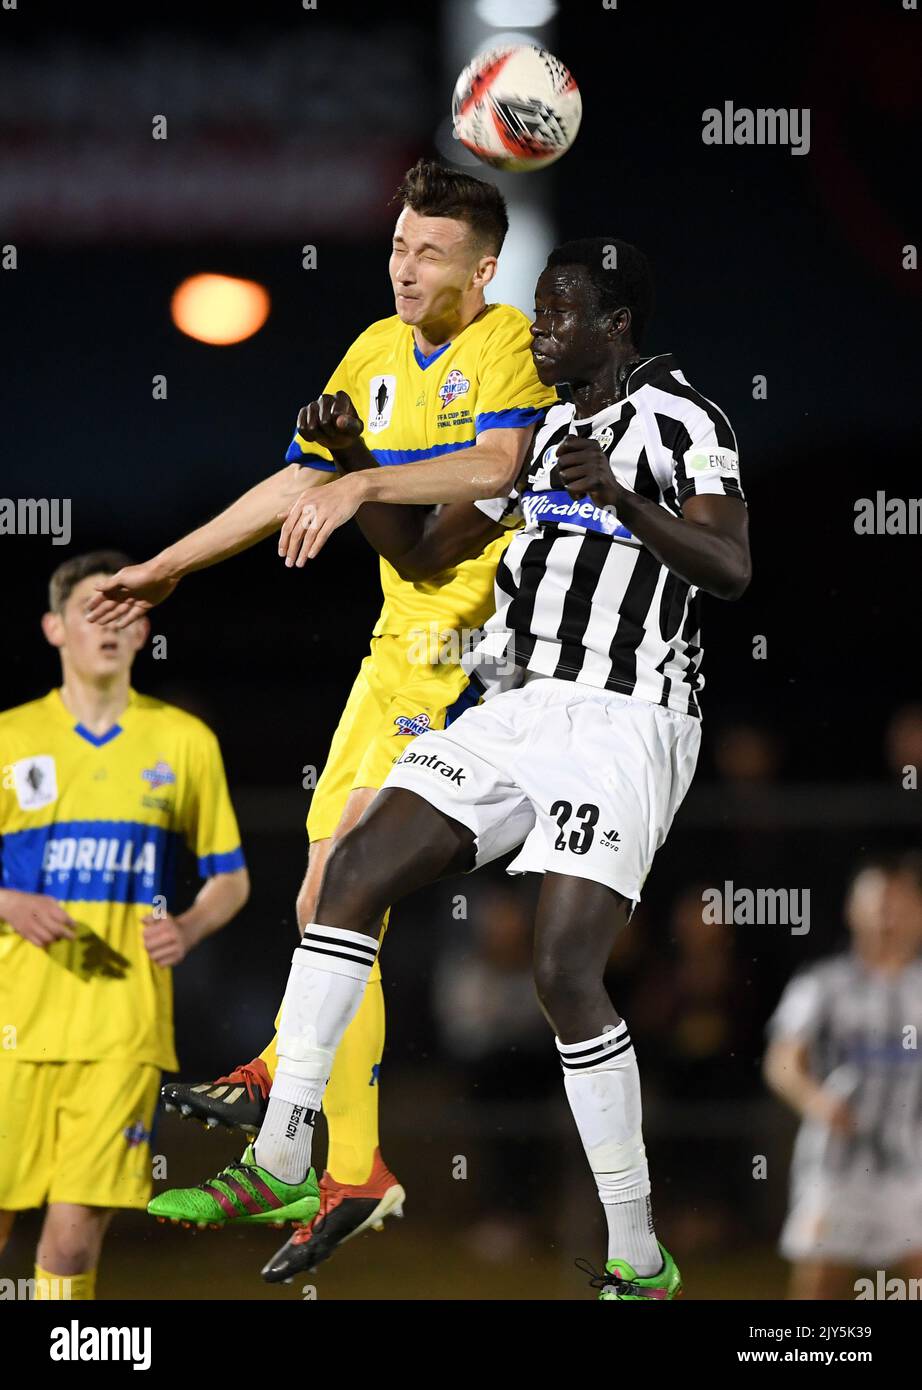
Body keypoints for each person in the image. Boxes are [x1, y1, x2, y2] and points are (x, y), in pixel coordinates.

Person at [148, 237, 752, 1300]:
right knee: (353, 862)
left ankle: (637, 1251)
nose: (538, 332)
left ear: (613, 327)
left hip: (629, 717)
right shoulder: (545, 428)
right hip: (516, 701)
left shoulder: (687, 421)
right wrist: (352, 466)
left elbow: (729, 566)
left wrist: (622, 498)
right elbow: (424, 555)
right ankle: (287, 1148)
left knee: (564, 970)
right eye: (536, 312)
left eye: (558, 315)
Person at [87, 158, 557, 1267]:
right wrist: (167, 566)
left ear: (482, 267)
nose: (402, 265)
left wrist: (359, 484)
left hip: (473, 652)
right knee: (320, 896)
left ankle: (328, 1157)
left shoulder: (506, 346)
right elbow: (287, 482)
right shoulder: (373, 351)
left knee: (348, 876)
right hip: (390, 654)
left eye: (428, 251)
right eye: (396, 245)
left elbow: (495, 460)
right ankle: (347, 1160)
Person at [0, 551, 250, 1299]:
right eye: (91, 610)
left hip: (123, 1030)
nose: (109, 625)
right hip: (13, 1024)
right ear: (53, 629)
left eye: (125, 610)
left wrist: (193, 926)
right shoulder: (10, 738)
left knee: (71, 1241)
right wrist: (9, 903)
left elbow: (231, 880)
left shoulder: (183, 743)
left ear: (145, 629)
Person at [763, 853, 922, 1300]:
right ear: (853, 911)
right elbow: (783, 1061)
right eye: (877, 904)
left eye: (898, 905)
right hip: (837, 1163)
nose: (887, 917)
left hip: (912, 1163)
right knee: (822, 1281)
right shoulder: (823, 984)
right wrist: (817, 1101)